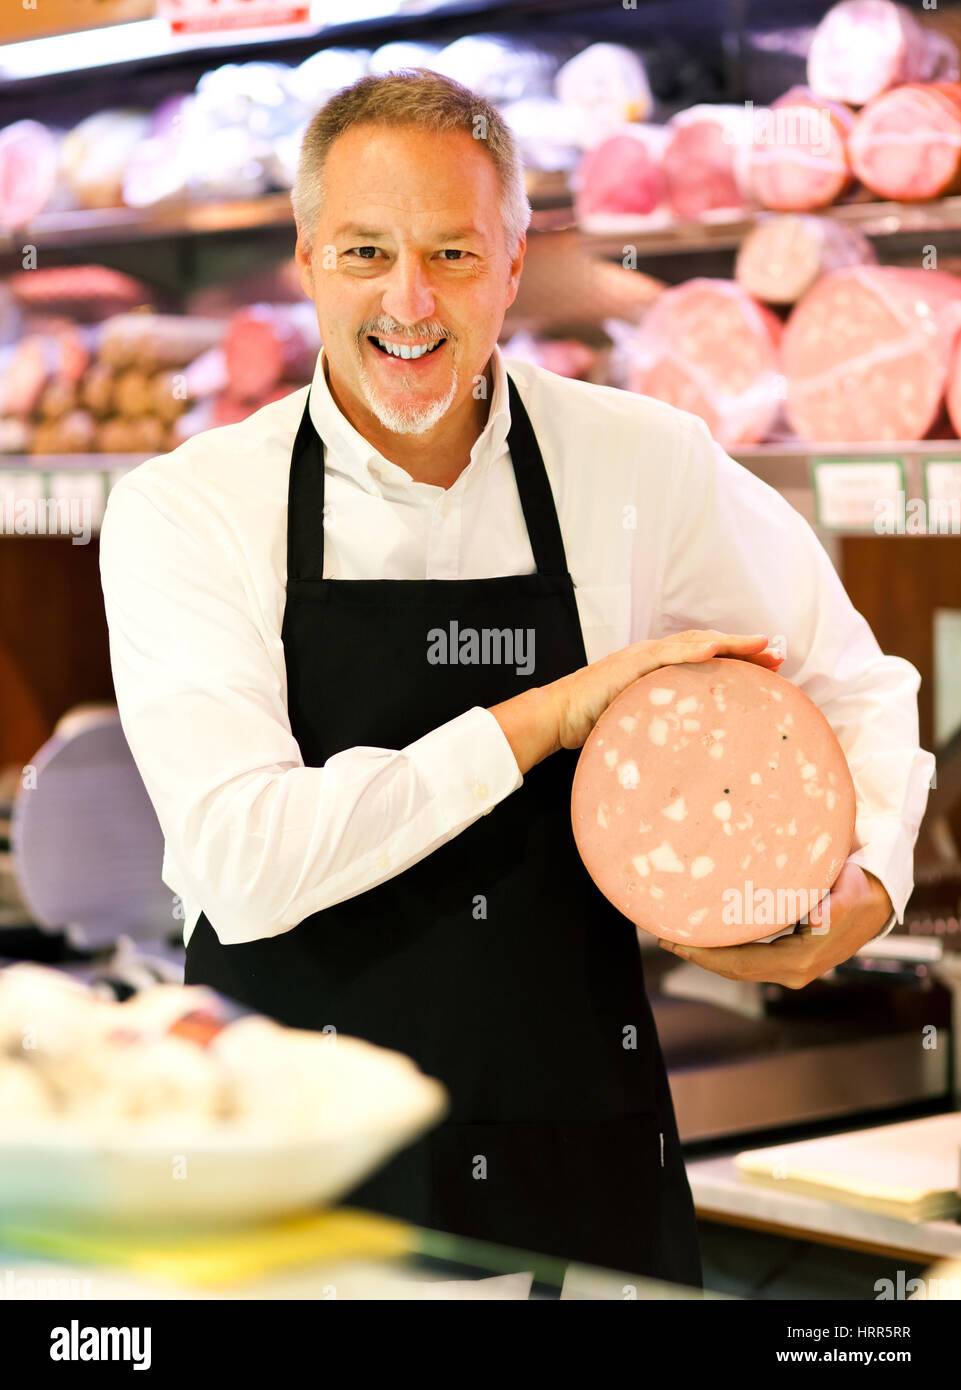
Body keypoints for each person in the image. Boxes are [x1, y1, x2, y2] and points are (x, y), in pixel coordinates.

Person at [99, 69, 934, 1288]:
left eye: (450, 251)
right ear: (305, 255)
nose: (408, 300)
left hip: (578, 1164)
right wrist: (542, 719)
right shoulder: (189, 509)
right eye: (365, 252)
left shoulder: (637, 461)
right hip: (283, 1192)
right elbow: (244, 859)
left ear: (513, 260)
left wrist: (869, 882)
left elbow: (854, 681)